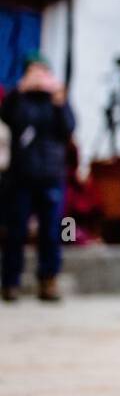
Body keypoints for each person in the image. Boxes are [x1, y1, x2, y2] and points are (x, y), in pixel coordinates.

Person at [1, 54, 75, 302]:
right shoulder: (19, 99)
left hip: (52, 174)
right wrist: (21, 90)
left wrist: (60, 101)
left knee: (54, 231)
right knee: (16, 231)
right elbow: (9, 117)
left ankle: (49, 281)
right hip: (21, 175)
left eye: (44, 71)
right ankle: (11, 283)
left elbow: (68, 128)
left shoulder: (55, 100)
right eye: (34, 71)